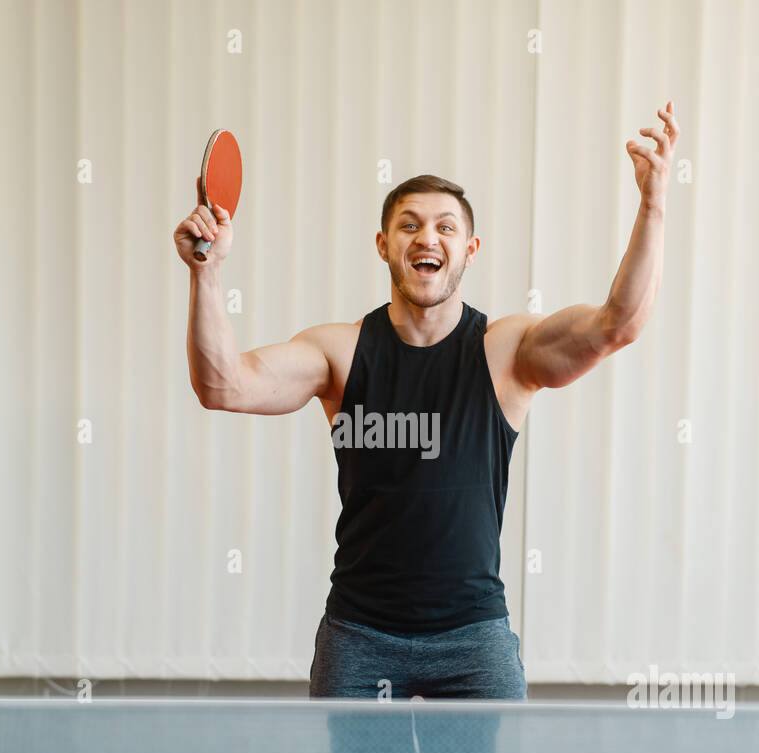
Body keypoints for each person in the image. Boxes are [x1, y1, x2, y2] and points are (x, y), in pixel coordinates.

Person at [175, 103, 680, 700]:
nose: (427, 236)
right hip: (358, 636)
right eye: (409, 224)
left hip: (475, 640)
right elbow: (222, 385)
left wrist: (652, 206)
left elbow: (616, 325)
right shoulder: (339, 352)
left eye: (446, 226)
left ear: (470, 248)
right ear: (384, 245)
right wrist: (206, 272)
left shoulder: (506, 351)